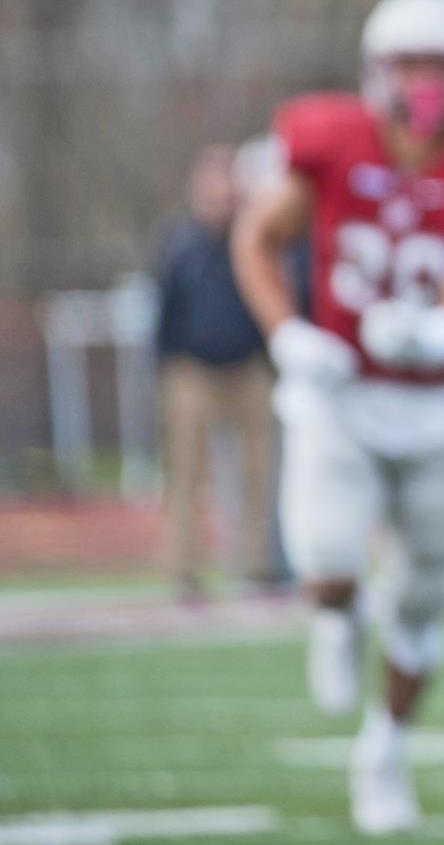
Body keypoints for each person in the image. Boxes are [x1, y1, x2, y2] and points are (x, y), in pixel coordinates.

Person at [231, 0, 444, 836]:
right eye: (414, 63)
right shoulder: (327, 141)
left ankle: (386, 749)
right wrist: (288, 332)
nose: (429, 82)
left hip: (439, 411)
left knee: (420, 603)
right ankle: (332, 617)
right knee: (327, 561)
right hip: (340, 394)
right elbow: (257, 237)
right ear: (379, 71)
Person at [155, 144, 278, 601]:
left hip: (248, 367)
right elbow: (164, 309)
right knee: (187, 475)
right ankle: (185, 570)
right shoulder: (179, 244)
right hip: (191, 370)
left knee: (258, 473)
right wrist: (164, 369)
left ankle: (257, 565)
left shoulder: (254, 238)